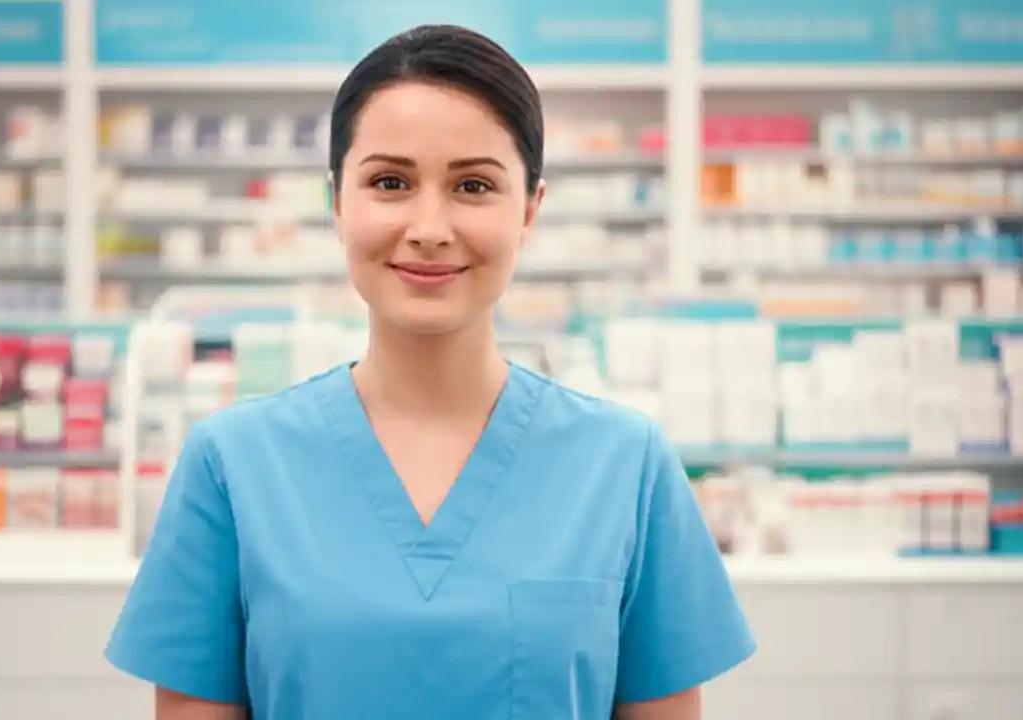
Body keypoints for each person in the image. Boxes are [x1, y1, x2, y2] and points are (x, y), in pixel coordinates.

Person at [105, 23, 755, 720]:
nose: (429, 226)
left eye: (474, 185)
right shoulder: (231, 467)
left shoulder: (625, 466)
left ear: (530, 208)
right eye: (390, 181)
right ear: (337, 202)